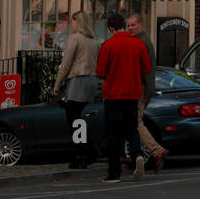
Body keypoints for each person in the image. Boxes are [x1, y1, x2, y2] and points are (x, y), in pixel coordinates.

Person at [96, 12, 151, 183]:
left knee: (113, 134)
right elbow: (147, 68)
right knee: (132, 128)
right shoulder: (138, 44)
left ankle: (114, 173)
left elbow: (100, 72)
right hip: (132, 93)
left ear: (111, 28)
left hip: (112, 95)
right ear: (124, 25)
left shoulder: (108, 45)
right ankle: (137, 155)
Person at [53, 11, 100, 169]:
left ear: (76, 22)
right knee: (78, 118)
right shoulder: (94, 41)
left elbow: (66, 64)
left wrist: (57, 83)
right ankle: (86, 151)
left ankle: (82, 153)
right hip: (91, 79)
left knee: (74, 119)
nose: (71, 25)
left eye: (72, 22)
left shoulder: (74, 39)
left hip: (78, 79)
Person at [126, 12, 167, 171]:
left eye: (133, 25)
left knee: (136, 123)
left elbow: (141, 69)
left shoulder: (141, 42)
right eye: (128, 25)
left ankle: (157, 151)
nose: (130, 28)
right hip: (144, 88)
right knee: (133, 122)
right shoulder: (141, 40)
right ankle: (134, 153)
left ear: (141, 25)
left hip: (140, 88)